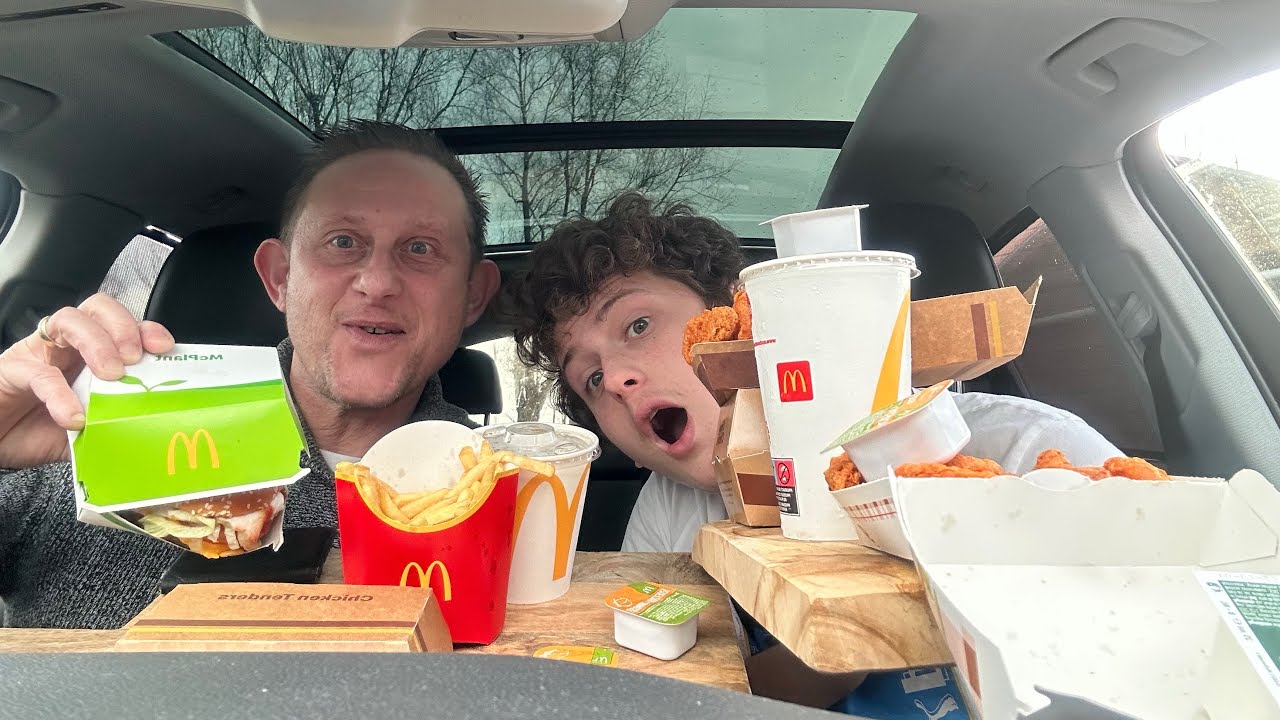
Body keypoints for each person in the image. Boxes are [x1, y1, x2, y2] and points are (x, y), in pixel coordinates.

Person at [503, 192, 1121, 716]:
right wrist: (834, 645)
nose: (614, 378)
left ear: (738, 317)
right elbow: (672, 696)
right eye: (589, 378)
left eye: (638, 326)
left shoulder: (1030, 450)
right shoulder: (667, 517)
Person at [0, 120, 500, 629]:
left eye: (421, 248)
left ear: (473, 295)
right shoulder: (86, 433)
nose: (377, 282)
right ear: (280, 278)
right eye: (343, 241)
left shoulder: (514, 495)